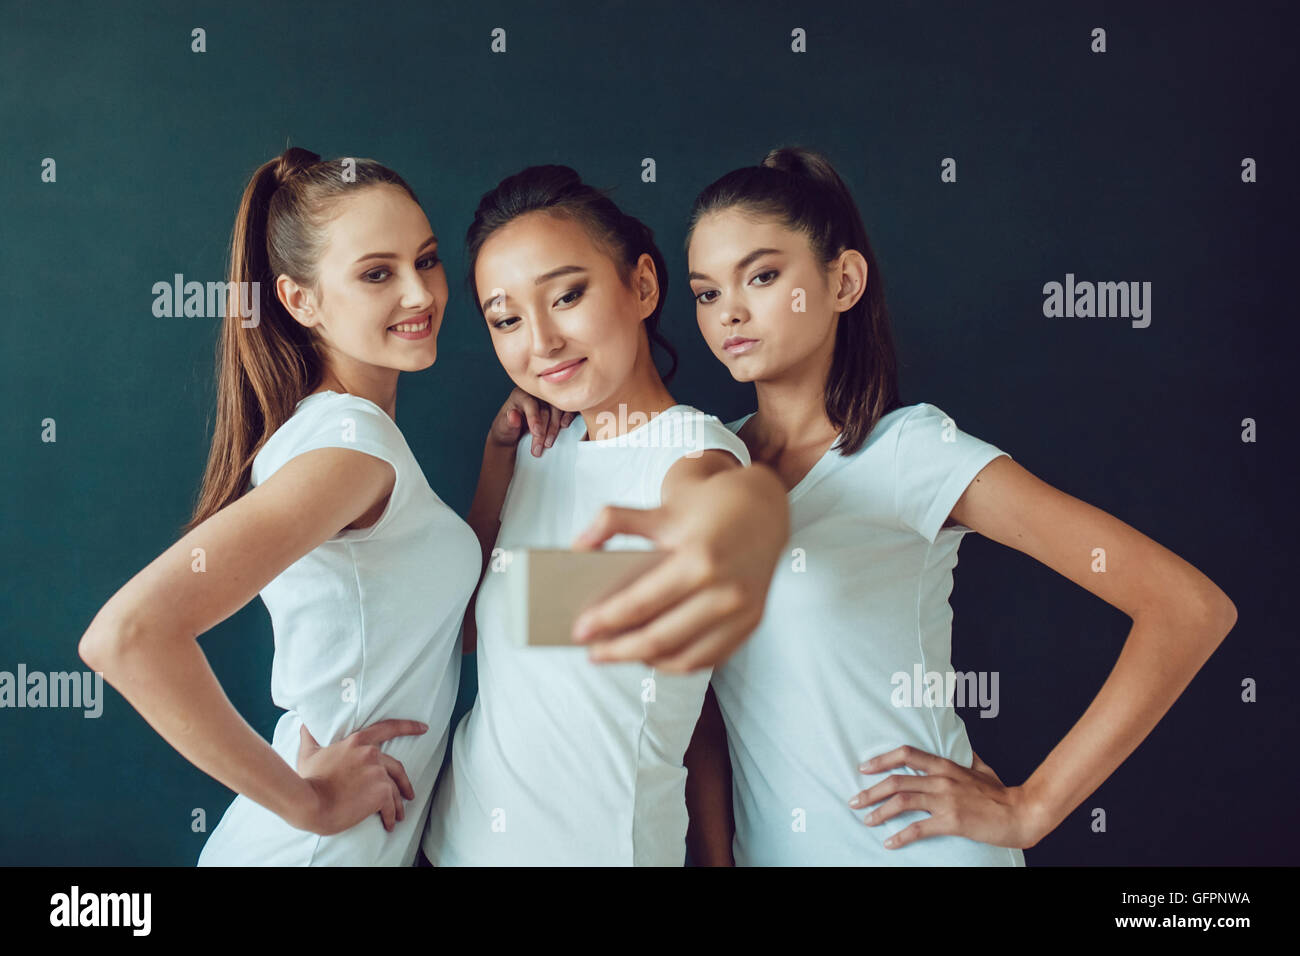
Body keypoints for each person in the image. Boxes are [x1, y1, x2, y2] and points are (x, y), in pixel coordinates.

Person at [609, 145, 1235, 865]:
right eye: (707, 291)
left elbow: (1188, 607)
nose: (730, 313)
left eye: (763, 275)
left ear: (842, 281)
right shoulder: (704, 464)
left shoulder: (910, 453)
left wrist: (1029, 809)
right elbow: (694, 699)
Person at [78, 147, 481, 865]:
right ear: (301, 301)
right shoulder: (350, 450)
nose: (420, 294)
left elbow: (452, 619)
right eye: (377, 274)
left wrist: (505, 462)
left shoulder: (342, 436)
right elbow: (126, 636)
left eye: (426, 260)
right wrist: (309, 804)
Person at [420, 165, 789, 865]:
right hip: (454, 845)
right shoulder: (537, 450)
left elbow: (733, 513)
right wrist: (498, 460)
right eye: (506, 319)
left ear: (642, 286)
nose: (542, 341)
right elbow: (467, 631)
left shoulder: (696, 453)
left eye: (567, 295)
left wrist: (741, 536)